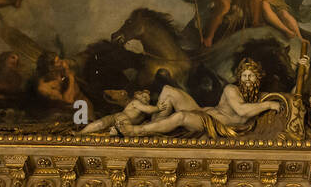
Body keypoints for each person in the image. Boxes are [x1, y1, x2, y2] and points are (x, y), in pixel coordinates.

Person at [120, 58, 281, 138]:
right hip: (201, 112)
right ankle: (150, 128)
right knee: (168, 90)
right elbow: (241, 110)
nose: (246, 79)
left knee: (180, 117)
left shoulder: (259, 98)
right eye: (244, 75)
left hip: (208, 123)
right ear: (239, 77)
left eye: (251, 76)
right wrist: (268, 105)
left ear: (257, 78)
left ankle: (139, 130)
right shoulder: (232, 89)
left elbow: (244, 113)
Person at [75, 90, 166, 136]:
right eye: (144, 96)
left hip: (118, 119)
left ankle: (81, 133)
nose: (146, 98)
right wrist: (158, 108)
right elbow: (148, 109)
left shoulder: (143, 113)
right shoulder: (136, 102)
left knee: (100, 124)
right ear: (137, 96)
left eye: (147, 99)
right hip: (122, 117)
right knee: (100, 124)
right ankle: (81, 133)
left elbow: (148, 112)